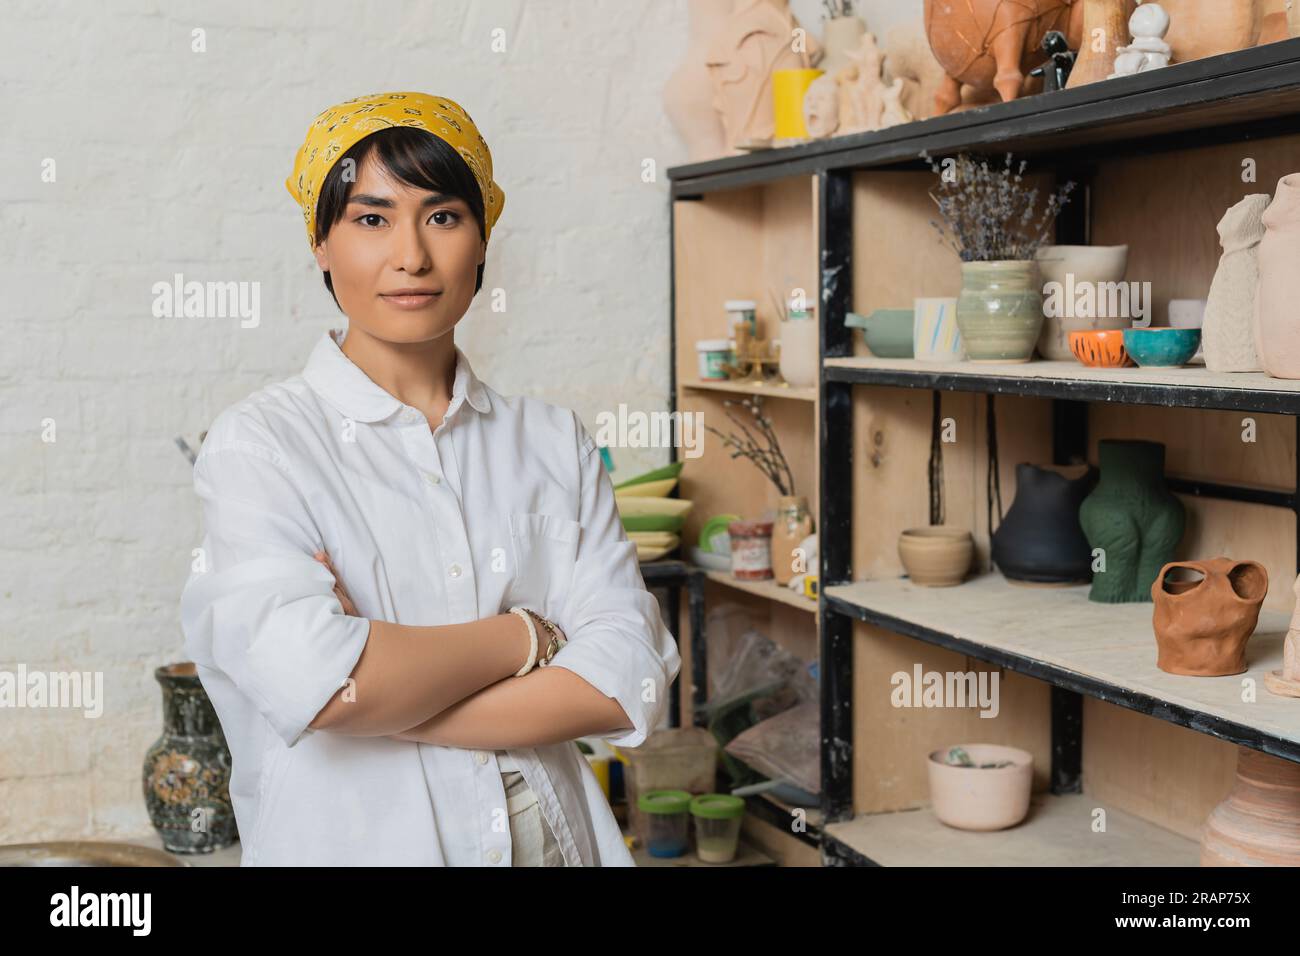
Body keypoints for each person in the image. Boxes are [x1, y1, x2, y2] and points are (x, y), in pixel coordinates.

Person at [179, 92, 682, 866]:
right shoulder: (263, 446)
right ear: (321, 243)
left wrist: (386, 692)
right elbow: (320, 688)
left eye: (443, 216)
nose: (411, 255)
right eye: (371, 219)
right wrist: (532, 635)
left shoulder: (551, 441)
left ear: (482, 240)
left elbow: (625, 682)